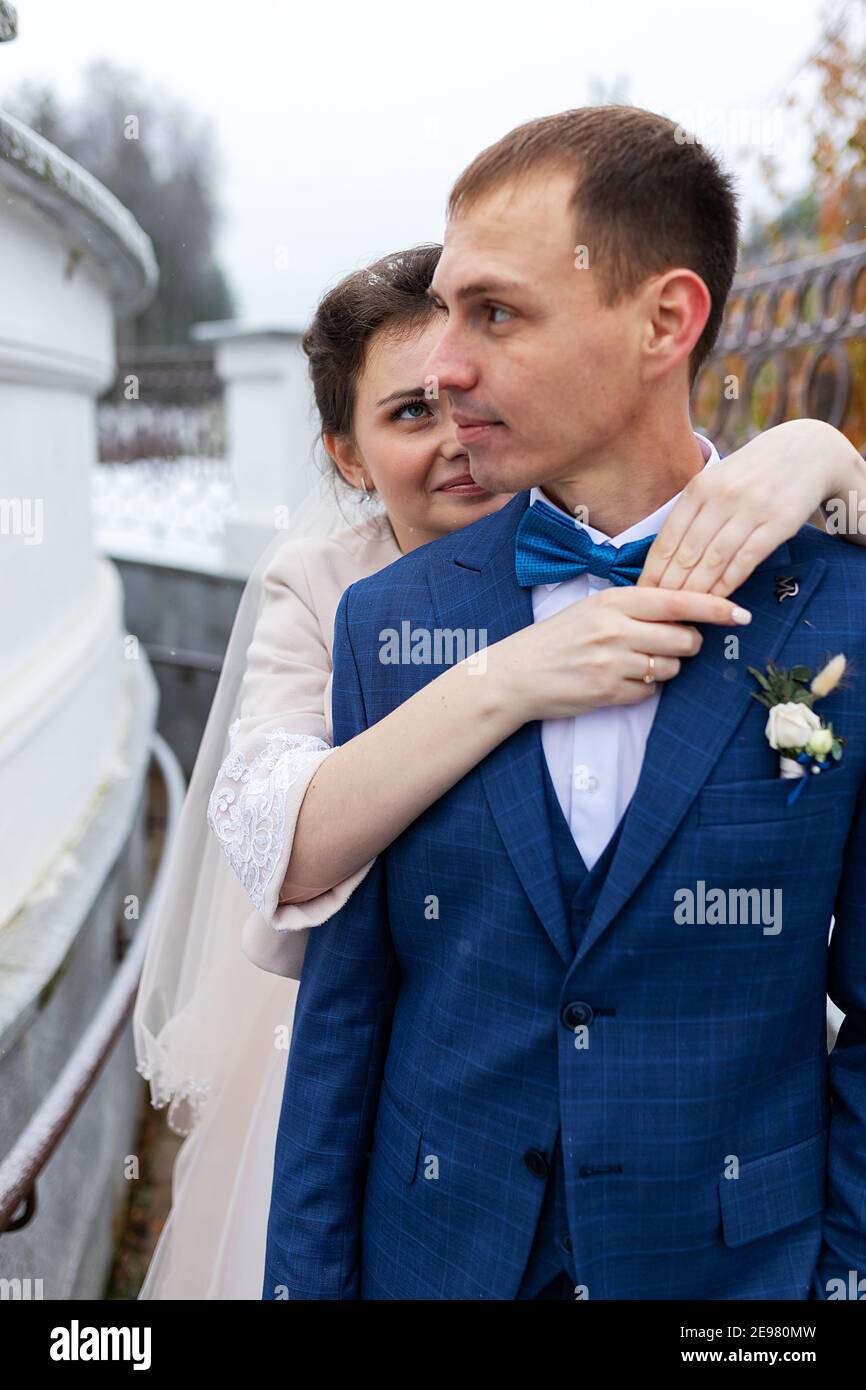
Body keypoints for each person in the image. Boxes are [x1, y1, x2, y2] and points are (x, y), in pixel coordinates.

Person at [135, 244, 865, 1300]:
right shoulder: (341, 598)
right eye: (406, 415)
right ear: (346, 455)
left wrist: (821, 451)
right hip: (401, 1107)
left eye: (461, 397)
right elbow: (285, 848)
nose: (456, 442)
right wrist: (509, 676)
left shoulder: (678, 535)